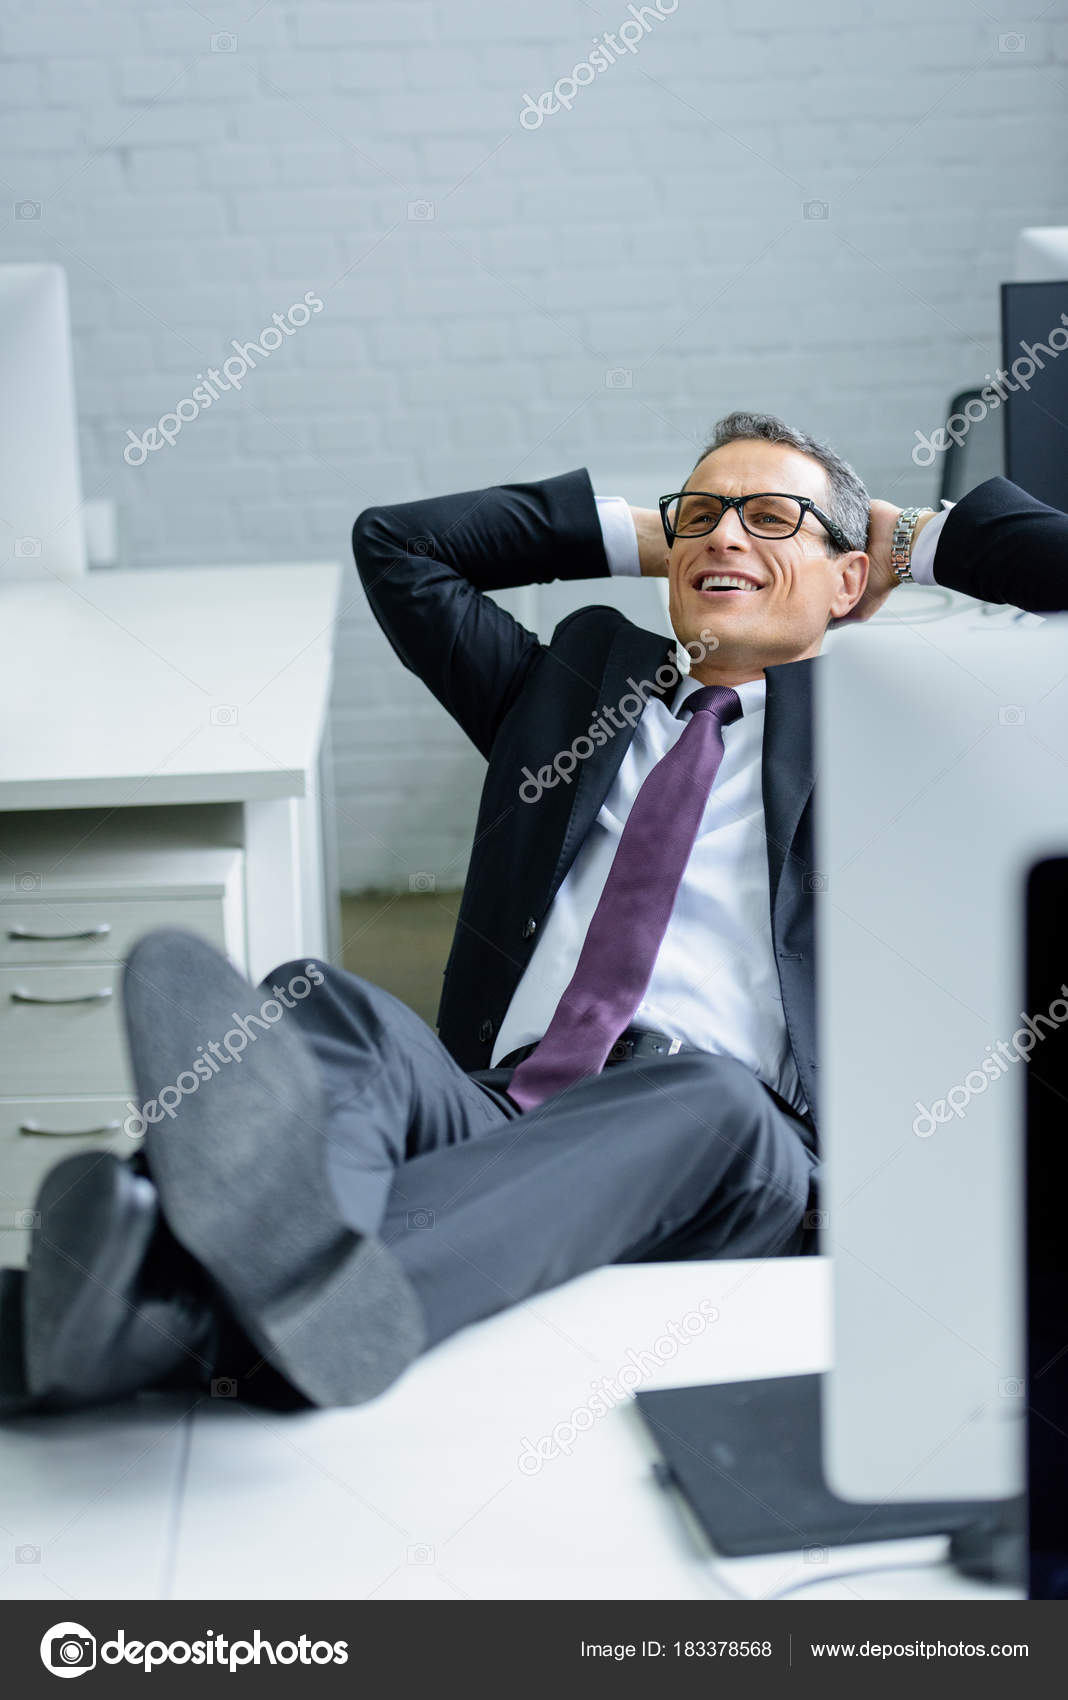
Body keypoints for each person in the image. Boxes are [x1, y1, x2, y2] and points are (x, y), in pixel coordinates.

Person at [4, 411, 1066, 1418]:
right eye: (700, 512)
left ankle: (187, 1290)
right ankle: (220, 1308)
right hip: (506, 1110)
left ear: (848, 577)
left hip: (735, 1155)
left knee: (705, 1095)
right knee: (316, 1001)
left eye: (771, 516)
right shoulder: (567, 690)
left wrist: (918, 538)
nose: (725, 531)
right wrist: (667, 536)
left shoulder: (901, 730)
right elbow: (400, 547)